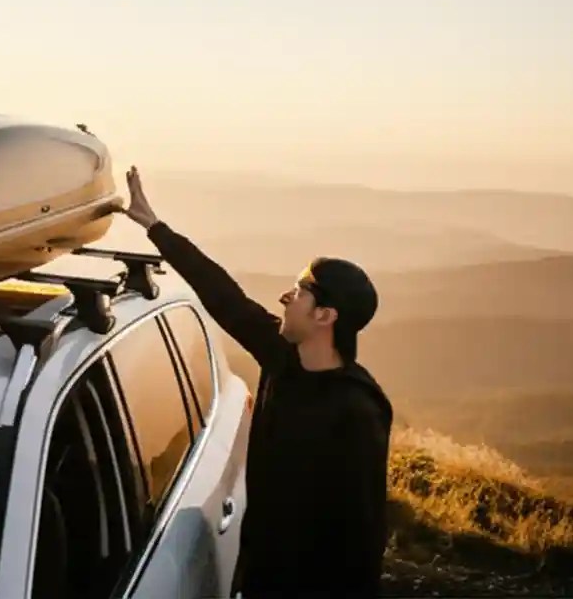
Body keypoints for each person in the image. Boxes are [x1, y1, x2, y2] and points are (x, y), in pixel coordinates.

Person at [120, 166, 393, 598]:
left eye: (299, 292)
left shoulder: (356, 411)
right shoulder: (282, 357)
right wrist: (155, 227)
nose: (286, 298)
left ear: (325, 316)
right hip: (260, 572)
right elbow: (226, 298)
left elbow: (361, 534)